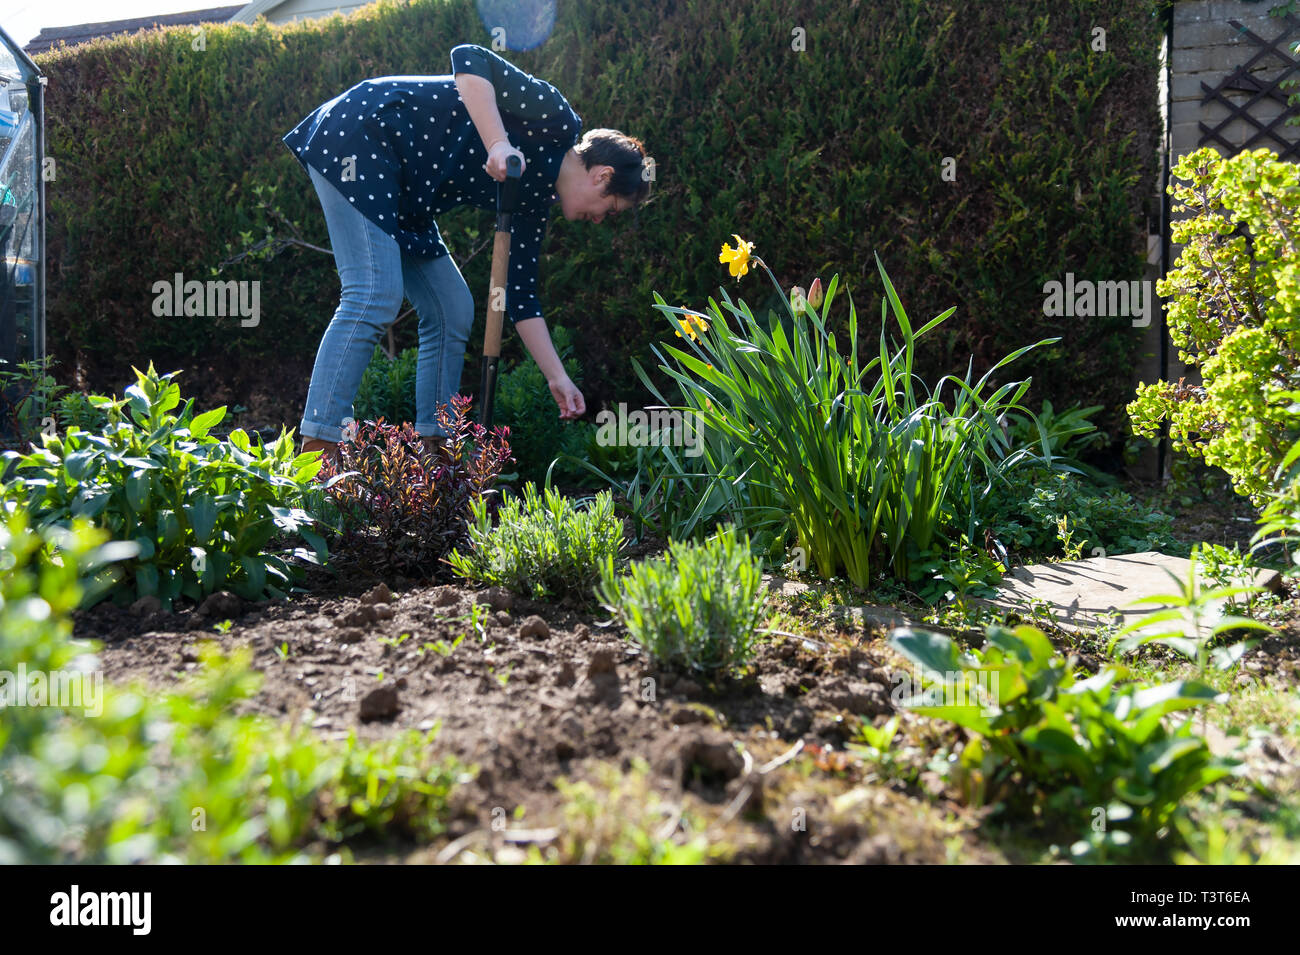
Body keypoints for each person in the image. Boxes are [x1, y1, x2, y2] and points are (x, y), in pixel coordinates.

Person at [281, 43, 651, 461]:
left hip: (408, 192)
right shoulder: (554, 118)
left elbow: (521, 297)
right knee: (373, 293)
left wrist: (558, 377)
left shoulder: (533, 199)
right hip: (368, 134)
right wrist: (497, 143)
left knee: (452, 307)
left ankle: (435, 451)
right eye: (611, 209)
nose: (601, 220)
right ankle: (319, 449)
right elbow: (469, 56)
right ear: (603, 177)